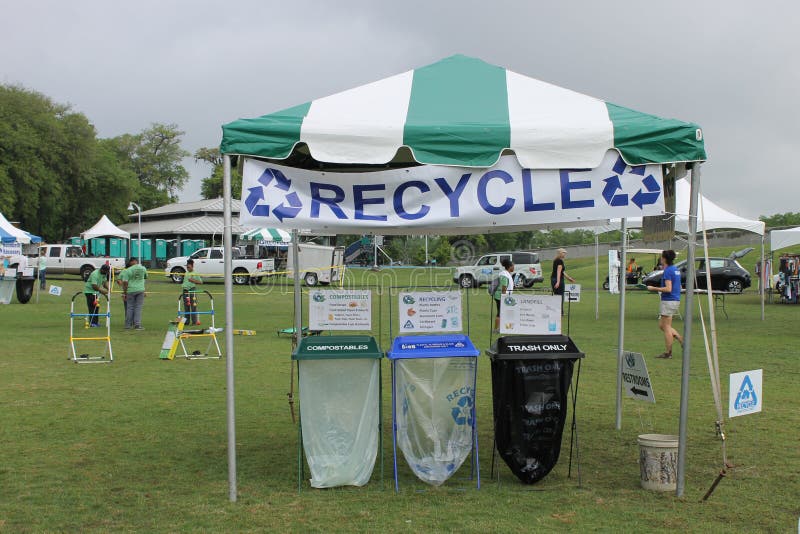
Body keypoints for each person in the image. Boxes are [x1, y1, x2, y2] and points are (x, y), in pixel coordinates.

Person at [647, 250, 684, 359]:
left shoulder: (668, 271)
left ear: (664, 259)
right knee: (662, 325)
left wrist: (653, 288)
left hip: (669, 300)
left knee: (666, 327)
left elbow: (668, 288)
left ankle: (668, 353)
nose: (660, 258)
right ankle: (680, 339)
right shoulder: (675, 269)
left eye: (661, 257)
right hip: (674, 300)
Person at [122, 257, 148, 330]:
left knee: (130, 307)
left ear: (131, 262)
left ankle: (128, 325)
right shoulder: (143, 268)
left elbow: (125, 282)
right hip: (140, 290)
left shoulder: (128, 270)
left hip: (130, 290)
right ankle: (137, 325)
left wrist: (125, 292)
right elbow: (146, 277)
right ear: (136, 261)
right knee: (138, 308)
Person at [493, 258, 514, 332]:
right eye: (513, 266)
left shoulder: (506, 274)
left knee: (506, 313)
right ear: (510, 266)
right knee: (500, 313)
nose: (514, 267)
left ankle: (506, 328)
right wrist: (504, 298)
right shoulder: (504, 274)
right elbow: (504, 288)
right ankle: (496, 329)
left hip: (503, 296)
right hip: (501, 297)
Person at [182, 259, 203, 325]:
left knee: (193, 306)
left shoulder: (195, 273)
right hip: (185, 291)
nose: (187, 268)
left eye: (189, 267)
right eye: (187, 267)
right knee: (186, 306)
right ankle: (187, 321)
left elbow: (200, 282)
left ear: (192, 266)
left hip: (192, 290)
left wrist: (193, 280)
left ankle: (194, 322)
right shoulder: (186, 272)